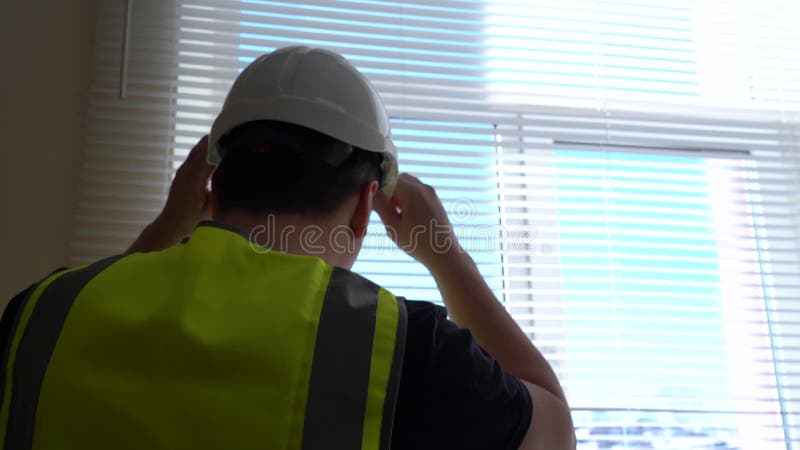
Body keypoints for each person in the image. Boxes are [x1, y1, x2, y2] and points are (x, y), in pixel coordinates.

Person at [0, 46, 575, 450]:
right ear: (363, 205)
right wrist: (443, 251)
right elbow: (554, 431)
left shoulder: (38, 314)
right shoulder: (409, 351)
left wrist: (165, 226)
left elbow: (99, 306)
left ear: (210, 183)